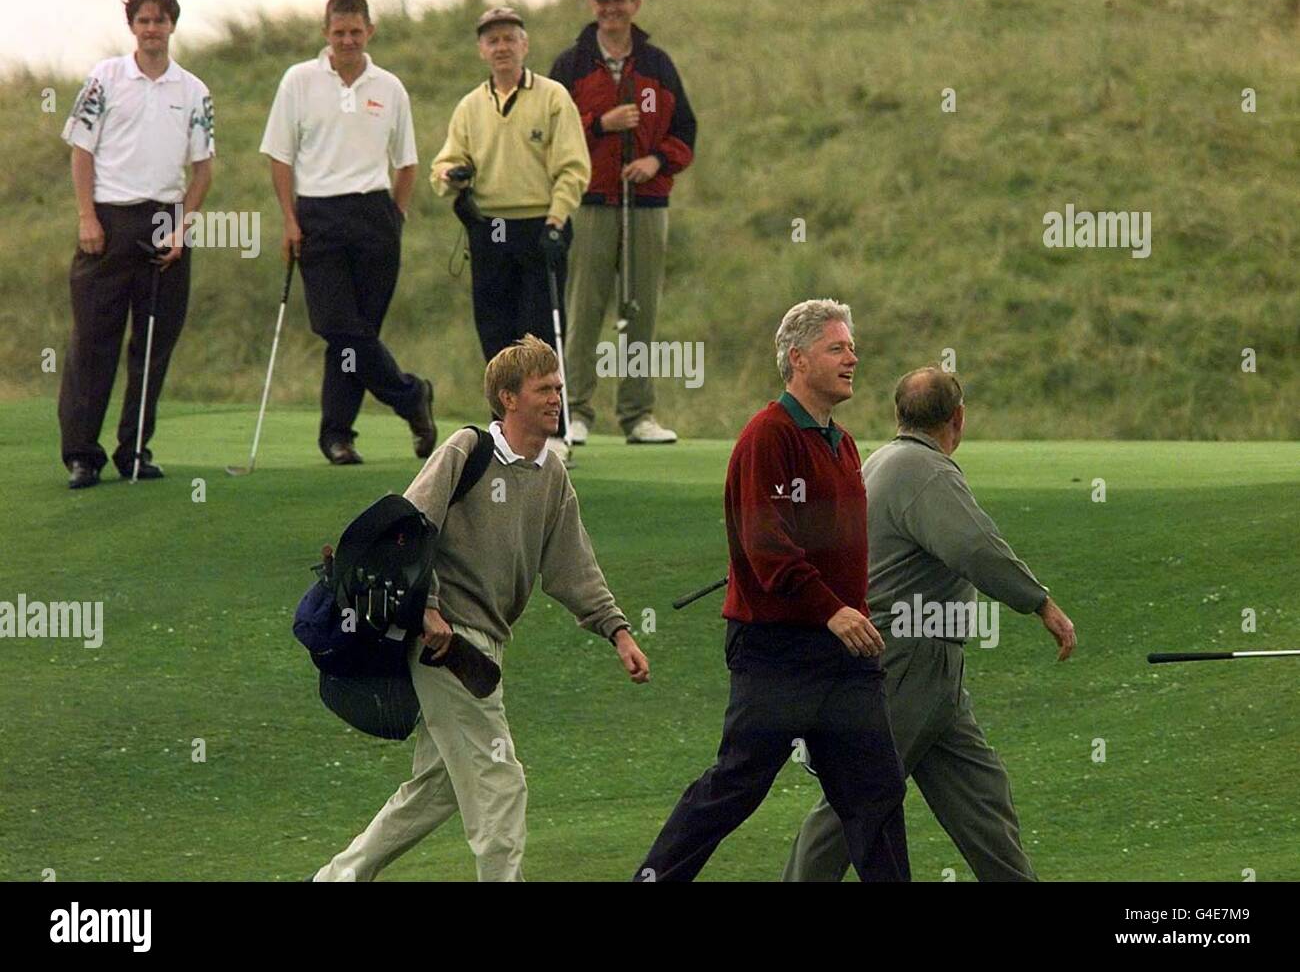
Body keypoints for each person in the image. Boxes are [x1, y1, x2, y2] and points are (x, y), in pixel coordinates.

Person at [313, 334, 650, 882]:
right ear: (507, 399)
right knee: (500, 780)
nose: (555, 399)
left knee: (438, 786)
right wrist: (428, 609)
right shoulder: (465, 451)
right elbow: (407, 531)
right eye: (543, 389)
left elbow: (571, 565)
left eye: (559, 388)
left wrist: (618, 632)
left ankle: (337, 878)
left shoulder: (552, 473)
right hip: (445, 643)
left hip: (485, 644)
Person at [633, 300, 910, 882]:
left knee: (876, 795)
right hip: (776, 653)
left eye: (851, 347)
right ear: (797, 358)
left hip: (844, 659)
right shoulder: (768, 436)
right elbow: (768, 548)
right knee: (735, 787)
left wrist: (845, 616)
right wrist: (832, 609)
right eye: (837, 348)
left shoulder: (845, 443)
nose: (852, 358)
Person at [783, 366, 1077, 882]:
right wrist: (1040, 604)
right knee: (858, 797)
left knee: (982, 797)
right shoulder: (927, 470)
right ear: (958, 419)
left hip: (930, 667)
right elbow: (973, 547)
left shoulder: (880, 461)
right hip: (908, 660)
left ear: (899, 414)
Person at [260, 0, 435, 466]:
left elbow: (407, 163)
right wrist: (289, 220)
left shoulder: (389, 87)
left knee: (356, 333)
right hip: (317, 215)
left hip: (375, 217)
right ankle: (411, 396)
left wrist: (395, 217)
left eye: (356, 32)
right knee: (339, 326)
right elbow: (280, 156)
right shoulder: (298, 81)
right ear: (326, 33)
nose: (348, 40)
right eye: (339, 33)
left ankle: (337, 437)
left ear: (370, 31)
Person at [59, 0, 214, 489]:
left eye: (160, 21)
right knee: (94, 343)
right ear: (133, 27)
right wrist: (87, 217)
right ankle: (83, 453)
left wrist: (180, 228)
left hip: (164, 222)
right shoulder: (105, 78)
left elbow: (203, 171)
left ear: (172, 25)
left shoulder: (193, 91)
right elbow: (82, 152)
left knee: (152, 346)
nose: (152, 29)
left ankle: (134, 450)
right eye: (144, 21)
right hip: (107, 220)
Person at [430, 6, 589, 463]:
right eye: (492, 40)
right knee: (495, 332)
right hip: (489, 227)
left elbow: (572, 167)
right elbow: (442, 164)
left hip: (542, 223)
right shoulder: (470, 106)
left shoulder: (553, 97)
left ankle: (551, 434)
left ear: (524, 45)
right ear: (482, 50)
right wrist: (452, 178)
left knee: (538, 332)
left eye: (509, 39)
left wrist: (558, 219)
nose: (501, 47)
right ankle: (505, 433)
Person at [550, 0, 696, 446]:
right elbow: (553, 131)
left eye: (620, 0)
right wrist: (600, 124)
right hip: (590, 201)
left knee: (640, 311)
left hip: (648, 204)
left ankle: (637, 415)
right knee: (584, 309)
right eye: (602, 1)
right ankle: (574, 411)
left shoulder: (656, 64)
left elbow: (685, 131)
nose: (611, 9)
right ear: (593, 6)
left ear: (636, 4)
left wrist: (657, 160)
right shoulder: (571, 64)